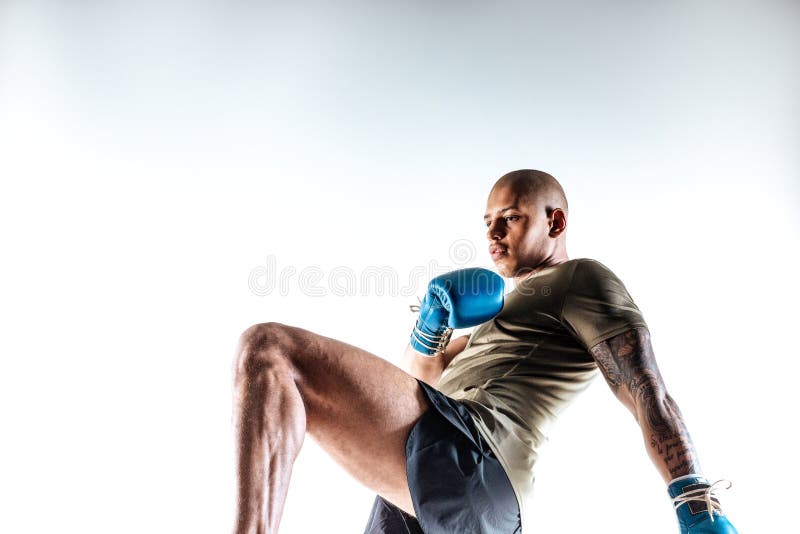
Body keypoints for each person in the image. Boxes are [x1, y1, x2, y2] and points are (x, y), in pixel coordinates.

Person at [232, 169, 738, 533]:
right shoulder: (500, 309)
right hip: (441, 484)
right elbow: (426, 380)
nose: (492, 234)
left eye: (510, 218)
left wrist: (693, 500)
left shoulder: (580, 278)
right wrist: (430, 326)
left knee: (270, 349)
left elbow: (646, 388)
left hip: (473, 453)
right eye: (488, 221)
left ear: (555, 222)